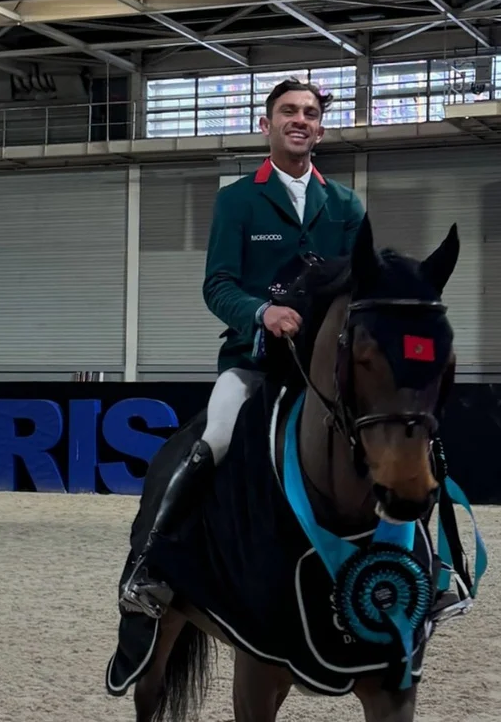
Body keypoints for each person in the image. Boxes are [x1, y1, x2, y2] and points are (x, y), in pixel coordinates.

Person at [119, 78, 366, 618]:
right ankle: (154, 564)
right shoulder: (237, 200)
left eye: (309, 112)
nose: (299, 119)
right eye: (287, 111)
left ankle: (436, 567)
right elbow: (218, 285)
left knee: (395, 436)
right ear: (266, 124)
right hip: (253, 362)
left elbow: (360, 285)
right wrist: (263, 312)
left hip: (325, 370)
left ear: (320, 129)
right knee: (215, 439)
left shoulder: (347, 205)